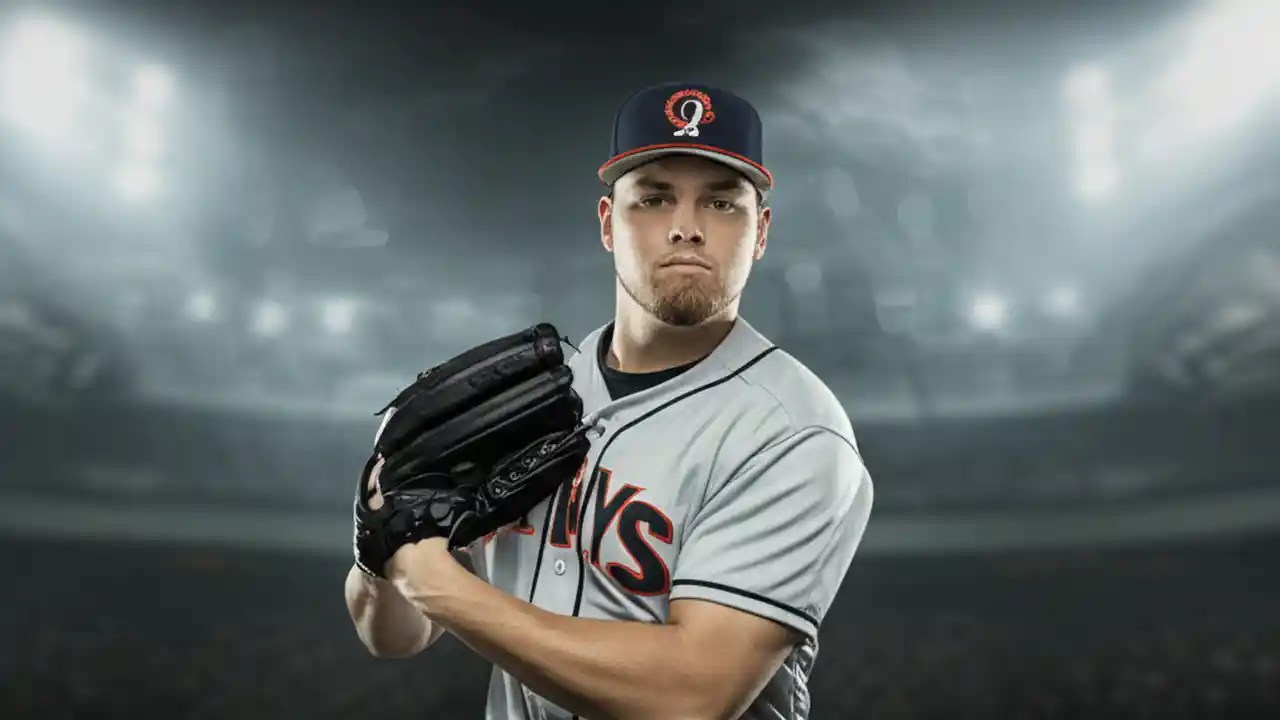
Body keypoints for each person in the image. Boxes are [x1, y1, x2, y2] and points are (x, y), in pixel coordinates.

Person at [344, 81, 874, 720]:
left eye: (721, 203)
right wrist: (382, 549)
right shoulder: (520, 405)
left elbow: (689, 696)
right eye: (652, 198)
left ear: (760, 232)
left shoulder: (793, 433)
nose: (685, 229)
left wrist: (433, 579)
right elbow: (395, 636)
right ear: (607, 224)